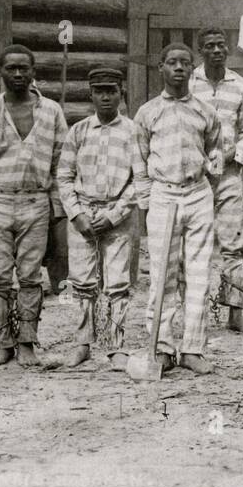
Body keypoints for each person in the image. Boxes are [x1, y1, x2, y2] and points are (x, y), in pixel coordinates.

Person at [0, 44, 67, 368]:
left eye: (24, 68)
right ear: (0, 72)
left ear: (34, 71)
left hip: (36, 202)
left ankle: (28, 342)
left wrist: (58, 211)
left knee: (31, 276)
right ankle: (3, 342)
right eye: (11, 68)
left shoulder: (51, 111)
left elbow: (62, 165)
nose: (18, 74)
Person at [133, 43, 223, 376]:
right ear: (161, 68)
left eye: (185, 63)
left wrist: (214, 162)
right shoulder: (147, 112)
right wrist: (146, 202)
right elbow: (139, 162)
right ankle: (161, 348)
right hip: (163, 195)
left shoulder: (204, 110)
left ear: (192, 69)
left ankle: (193, 349)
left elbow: (215, 148)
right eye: (172, 62)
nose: (179, 68)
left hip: (198, 194)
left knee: (198, 274)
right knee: (162, 274)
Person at [54, 67, 150, 370]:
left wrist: (114, 215)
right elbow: (64, 176)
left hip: (118, 217)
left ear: (121, 92)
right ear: (90, 94)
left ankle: (116, 347)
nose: (106, 96)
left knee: (118, 282)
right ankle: (82, 343)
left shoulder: (133, 131)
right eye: (100, 91)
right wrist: (77, 214)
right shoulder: (79, 131)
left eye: (112, 90)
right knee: (82, 281)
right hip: (83, 214)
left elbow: (140, 179)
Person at [190, 27, 243, 333]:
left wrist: (231, 154)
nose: (216, 51)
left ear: (228, 50)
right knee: (195, 245)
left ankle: (235, 310)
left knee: (234, 242)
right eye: (209, 46)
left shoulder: (241, 86)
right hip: (194, 178)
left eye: (221, 46)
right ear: (200, 51)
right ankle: (196, 314)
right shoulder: (188, 83)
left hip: (229, 176)